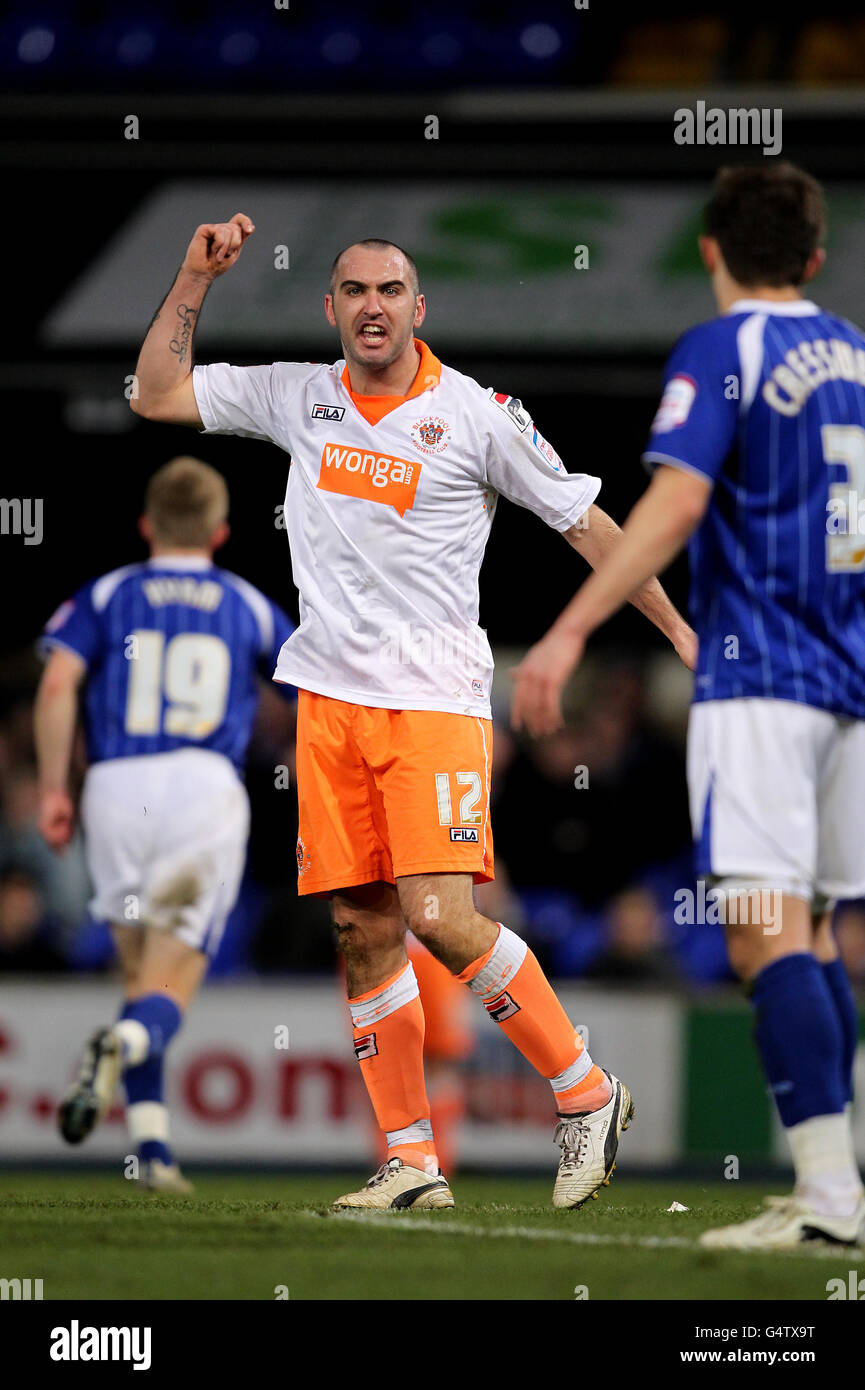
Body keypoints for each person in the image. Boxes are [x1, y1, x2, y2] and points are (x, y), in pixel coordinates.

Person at [130, 219, 695, 1210]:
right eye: (353, 290)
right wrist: (191, 278)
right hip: (329, 709)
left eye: (389, 289)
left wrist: (681, 634)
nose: (372, 305)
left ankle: (587, 1091)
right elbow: (156, 392)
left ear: (417, 307)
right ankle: (410, 1160)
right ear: (332, 308)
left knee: (440, 917)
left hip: (432, 704)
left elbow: (587, 524)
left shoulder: (477, 414)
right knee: (362, 928)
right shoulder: (298, 396)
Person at [512, 162, 865, 1249]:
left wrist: (571, 628)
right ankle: (838, 1181)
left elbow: (675, 499)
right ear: (812, 257)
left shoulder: (724, 350)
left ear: (709, 251)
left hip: (759, 677)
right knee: (821, 931)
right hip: (852, 681)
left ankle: (828, 1198)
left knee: (764, 939)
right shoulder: (855, 353)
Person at [35, 457, 295, 1191]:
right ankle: (119, 1041)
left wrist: (55, 787)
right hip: (202, 789)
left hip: (115, 790)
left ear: (147, 525)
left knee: (138, 970)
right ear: (221, 532)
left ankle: (151, 1151)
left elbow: (57, 681)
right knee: (169, 984)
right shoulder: (244, 601)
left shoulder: (109, 591)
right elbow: (311, 692)